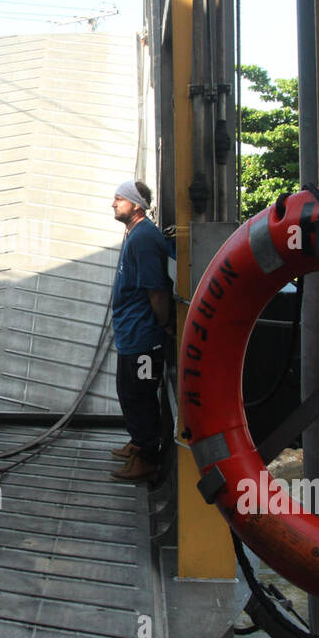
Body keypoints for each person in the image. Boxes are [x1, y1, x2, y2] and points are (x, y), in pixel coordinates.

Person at [108, 179, 172, 482]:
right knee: (128, 392)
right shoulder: (136, 235)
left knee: (140, 396)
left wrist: (160, 324)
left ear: (136, 205)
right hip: (131, 335)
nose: (113, 203)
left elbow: (156, 291)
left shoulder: (144, 238)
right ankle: (138, 442)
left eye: (119, 199)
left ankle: (147, 457)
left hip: (143, 337)